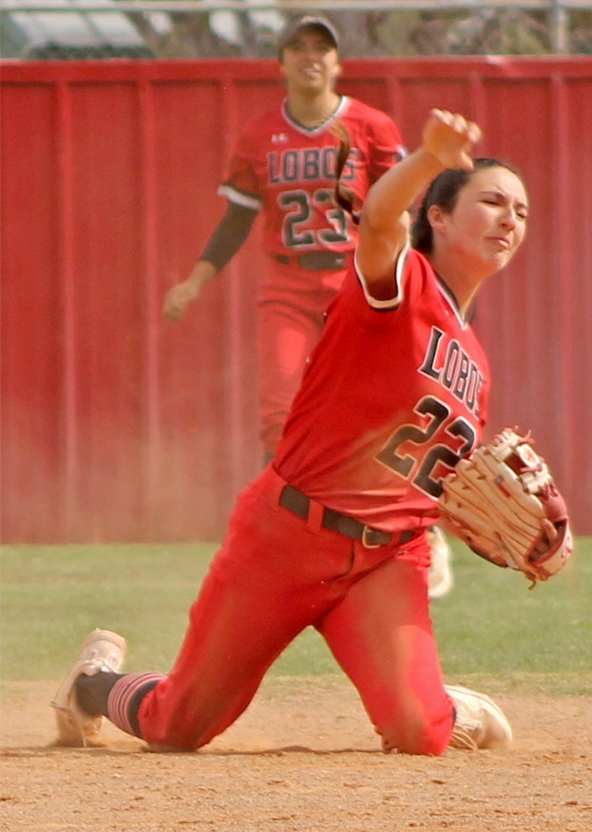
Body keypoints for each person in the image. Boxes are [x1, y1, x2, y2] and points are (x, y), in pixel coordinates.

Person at [52, 109, 530, 755]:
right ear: (439, 216)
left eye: (521, 212)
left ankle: (436, 704)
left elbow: (423, 472)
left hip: (385, 563)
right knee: (180, 726)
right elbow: (384, 219)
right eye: (492, 201)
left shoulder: (475, 360)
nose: (510, 218)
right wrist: (430, 159)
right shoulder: (403, 283)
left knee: (419, 735)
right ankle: (92, 683)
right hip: (287, 538)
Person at [159, 16, 453, 599]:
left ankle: (418, 527)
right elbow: (238, 216)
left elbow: (399, 211)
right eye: (299, 48)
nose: (310, 57)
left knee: (385, 404)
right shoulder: (260, 132)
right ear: (282, 63)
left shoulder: (370, 125)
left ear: (338, 63)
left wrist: (421, 278)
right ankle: (280, 533)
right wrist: (195, 281)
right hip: (289, 287)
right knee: (279, 411)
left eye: (322, 48)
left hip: (357, 286)